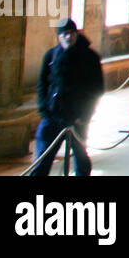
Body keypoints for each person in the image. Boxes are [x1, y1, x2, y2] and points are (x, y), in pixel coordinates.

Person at [33, 18, 103, 176]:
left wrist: (85, 115)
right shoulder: (51, 56)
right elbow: (42, 85)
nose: (68, 37)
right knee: (43, 157)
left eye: (71, 33)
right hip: (53, 116)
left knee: (80, 158)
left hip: (77, 118)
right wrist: (44, 110)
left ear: (76, 34)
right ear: (58, 36)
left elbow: (96, 89)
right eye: (64, 34)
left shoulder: (90, 57)